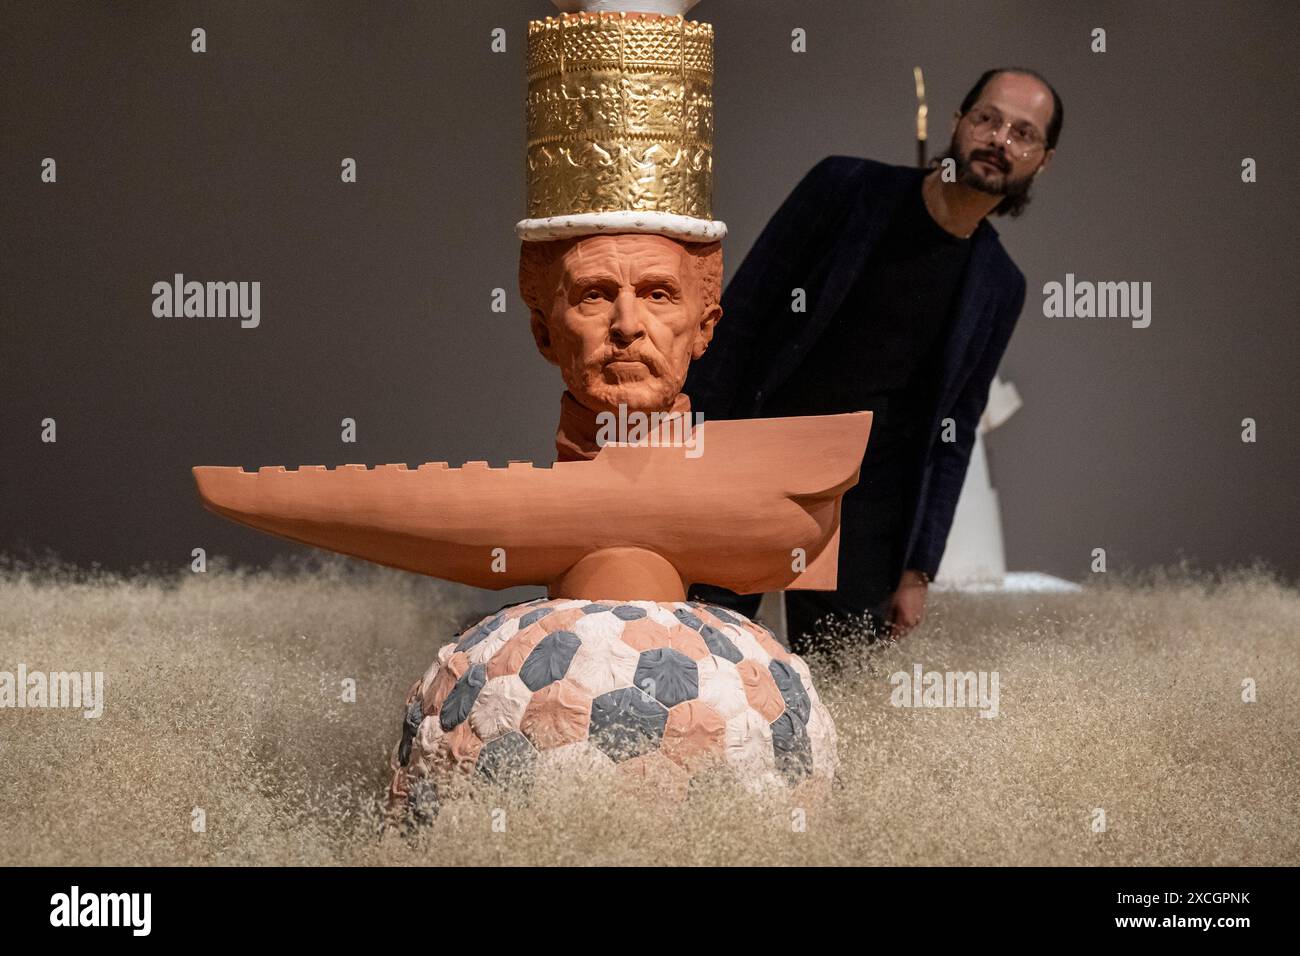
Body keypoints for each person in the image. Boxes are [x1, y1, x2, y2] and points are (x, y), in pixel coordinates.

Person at [685, 68, 1062, 654]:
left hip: (867, 506)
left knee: (844, 690)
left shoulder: (1000, 286)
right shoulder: (846, 188)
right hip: (754, 465)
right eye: (988, 118)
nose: (999, 140)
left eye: (1023, 133)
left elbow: (954, 429)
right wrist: (690, 446)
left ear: (1041, 161)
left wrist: (918, 570)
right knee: (704, 659)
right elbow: (743, 312)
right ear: (957, 122)